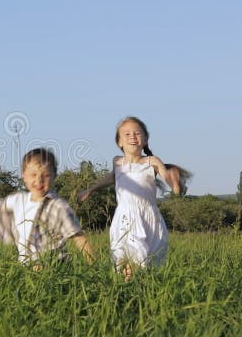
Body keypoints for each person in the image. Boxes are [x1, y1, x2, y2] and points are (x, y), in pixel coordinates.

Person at [0, 148, 96, 267]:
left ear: (54, 176)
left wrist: (94, 268)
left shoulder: (59, 206)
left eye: (45, 175)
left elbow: (79, 237)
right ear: (23, 176)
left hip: (57, 266)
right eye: (33, 175)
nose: (39, 181)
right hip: (27, 267)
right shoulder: (18, 201)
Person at [78, 116, 188, 280]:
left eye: (137, 133)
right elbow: (111, 177)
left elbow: (176, 189)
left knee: (151, 266)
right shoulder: (117, 162)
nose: (132, 137)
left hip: (150, 219)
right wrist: (92, 189)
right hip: (125, 217)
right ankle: (125, 291)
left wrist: (176, 182)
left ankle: (142, 295)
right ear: (120, 142)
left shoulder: (152, 161)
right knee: (128, 259)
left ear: (145, 140)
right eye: (127, 134)